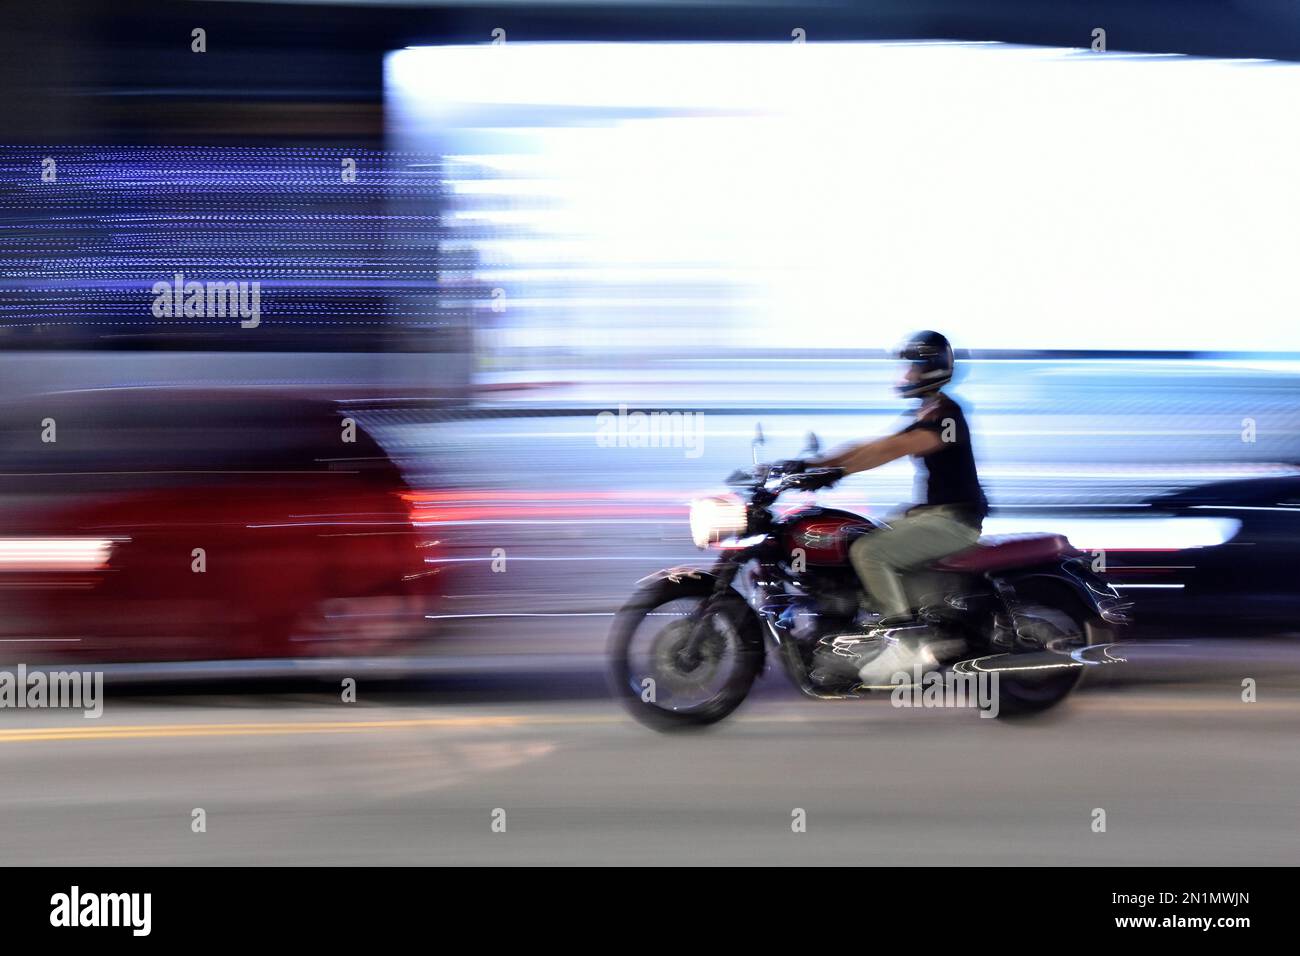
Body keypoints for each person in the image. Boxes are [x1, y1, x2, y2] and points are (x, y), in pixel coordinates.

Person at [808, 330, 988, 684]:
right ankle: (869, 627)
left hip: (956, 521)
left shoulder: (947, 416)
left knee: (869, 552)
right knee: (857, 537)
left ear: (931, 369)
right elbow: (878, 443)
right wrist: (811, 465)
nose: (905, 376)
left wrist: (837, 471)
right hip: (932, 515)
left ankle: (905, 642)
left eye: (912, 368)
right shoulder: (928, 413)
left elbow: (895, 448)